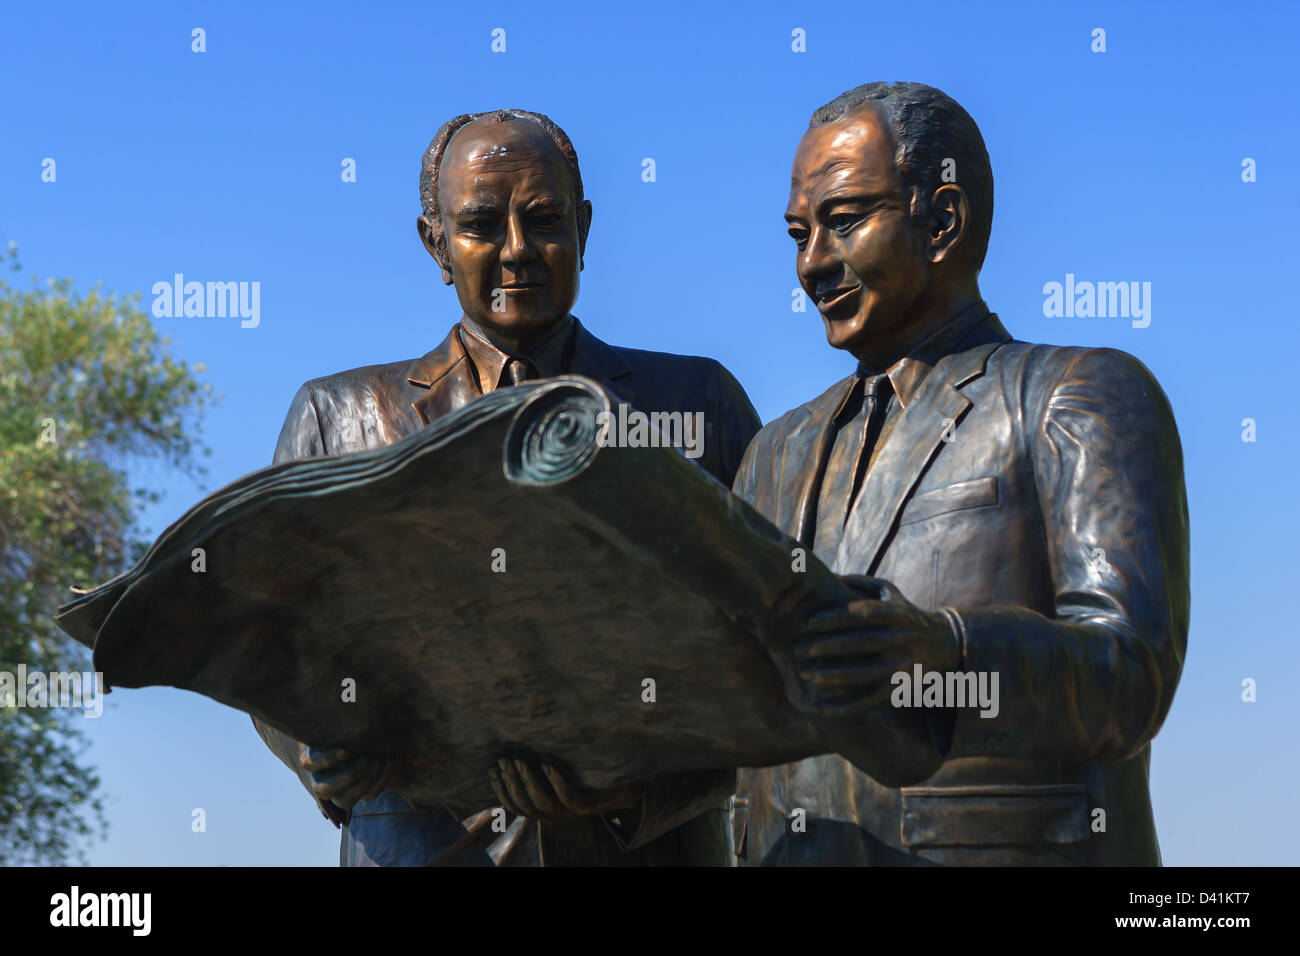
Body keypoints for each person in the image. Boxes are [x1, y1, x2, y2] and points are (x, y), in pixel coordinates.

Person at [254, 107, 761, 866]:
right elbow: (265, 644)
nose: (518, 250)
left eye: (545, 219)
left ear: (584, 228)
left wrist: (633, 790)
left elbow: (777, 651)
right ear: (436, 244)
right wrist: (315, 749)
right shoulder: (337, 419)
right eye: (483, 224)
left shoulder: (699, 405)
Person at [732, 82, 1189, 865]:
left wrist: (947, 656)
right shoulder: (774, 453)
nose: (811, 263)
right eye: (798, 233)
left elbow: (1130, 674)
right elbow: (735, 709)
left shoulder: (1074, 392)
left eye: (843, 222)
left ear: (941, 221)